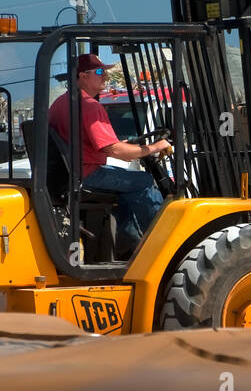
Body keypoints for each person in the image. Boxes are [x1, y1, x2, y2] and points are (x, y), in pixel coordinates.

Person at [48, 53, 172, 251]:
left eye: (105, 71)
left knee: (129, 186)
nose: (105, 76)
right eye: (99, 71)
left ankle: (129, 245)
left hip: (72, 173)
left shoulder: (60, 103)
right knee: (144, 181)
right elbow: (114, 150)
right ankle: (162, 246)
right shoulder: (89, 105)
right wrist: (155, 147)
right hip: (88, 174)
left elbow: (88, 141)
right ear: (82, 76)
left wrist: (125, 145)